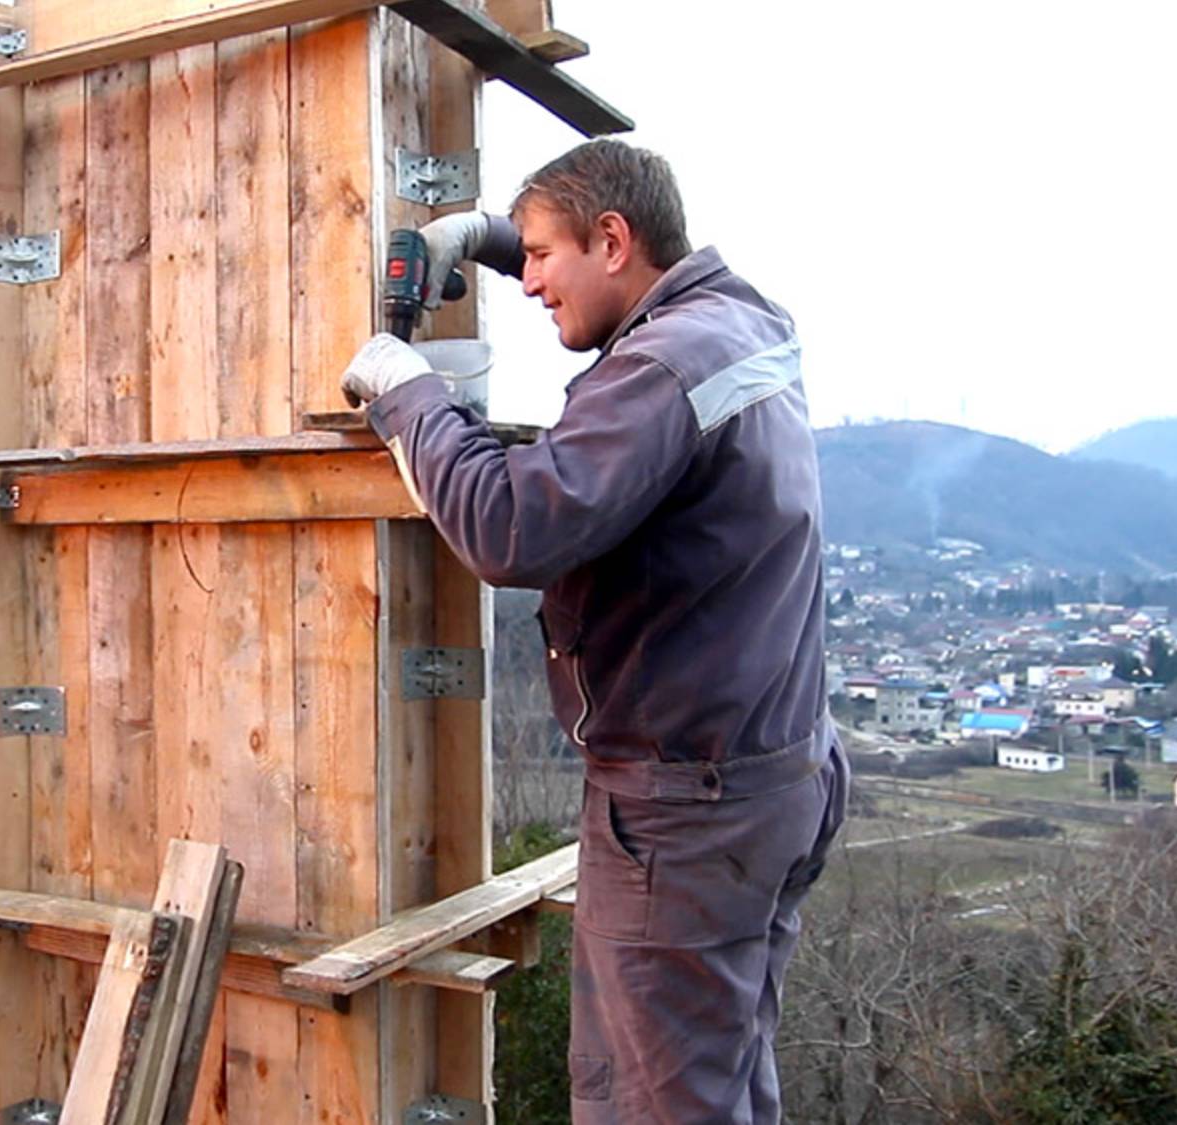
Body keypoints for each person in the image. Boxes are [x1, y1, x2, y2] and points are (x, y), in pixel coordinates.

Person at [341, 139, 849, 1124]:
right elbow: (601, 288)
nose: (529, 283)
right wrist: (483, 236)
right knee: (710, 1080)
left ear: (613, 240)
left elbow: (510, 527)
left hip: (684, 813)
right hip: (772, 779)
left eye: (539, 256)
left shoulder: (656, 368)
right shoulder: (738, 323)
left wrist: (407, 393)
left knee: (656, 1102)